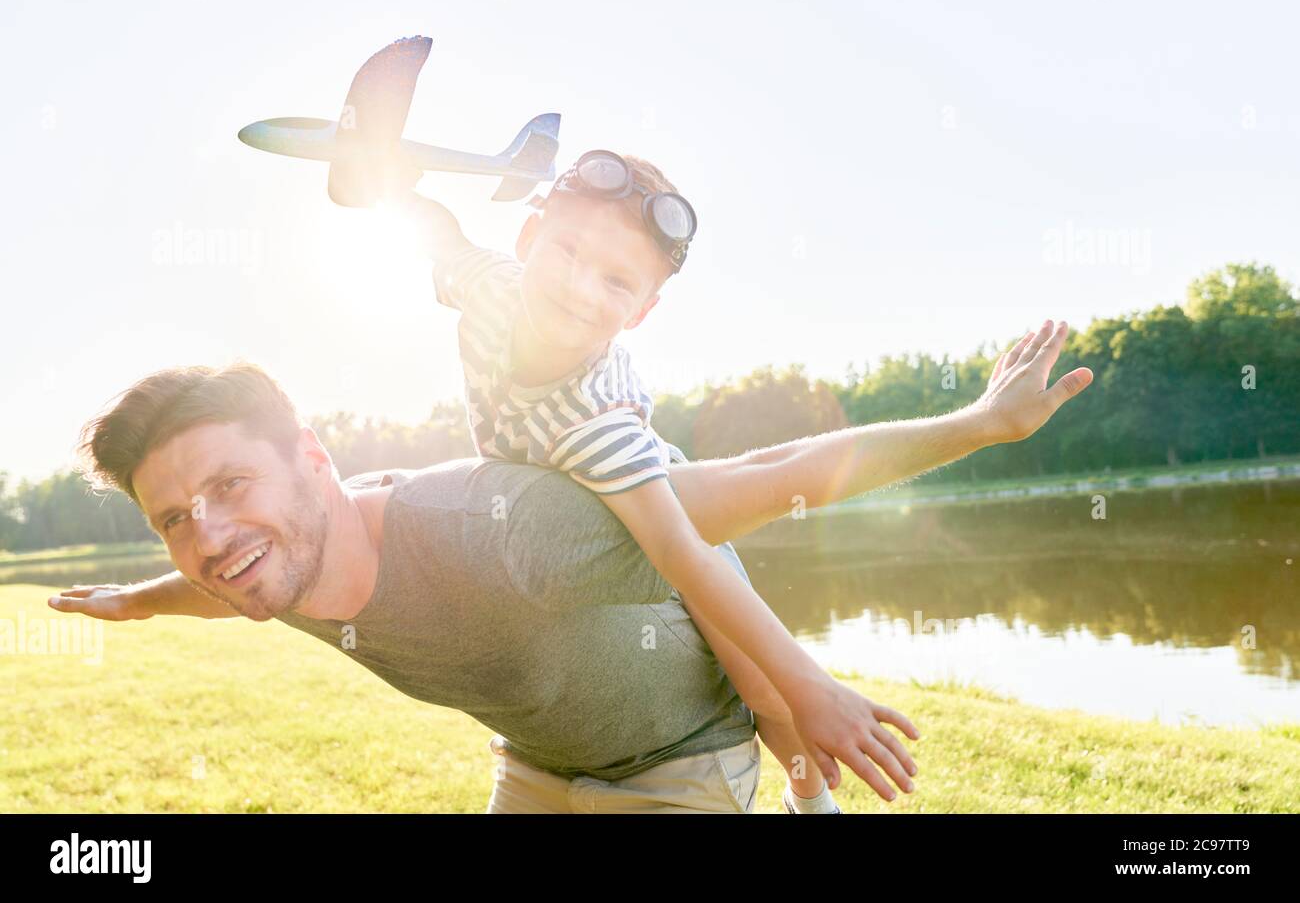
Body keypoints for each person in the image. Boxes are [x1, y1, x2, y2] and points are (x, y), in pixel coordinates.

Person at [53, 320, 1089, 812]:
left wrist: (977, 424)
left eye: (230, 486)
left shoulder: (501, 528)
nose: (211, 535)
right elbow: (220, 585)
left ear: (314, 461)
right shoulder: (267, 563)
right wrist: (136, 603)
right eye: (174, 517)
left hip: (681, 760)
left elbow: (772, 471)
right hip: (538, 764)